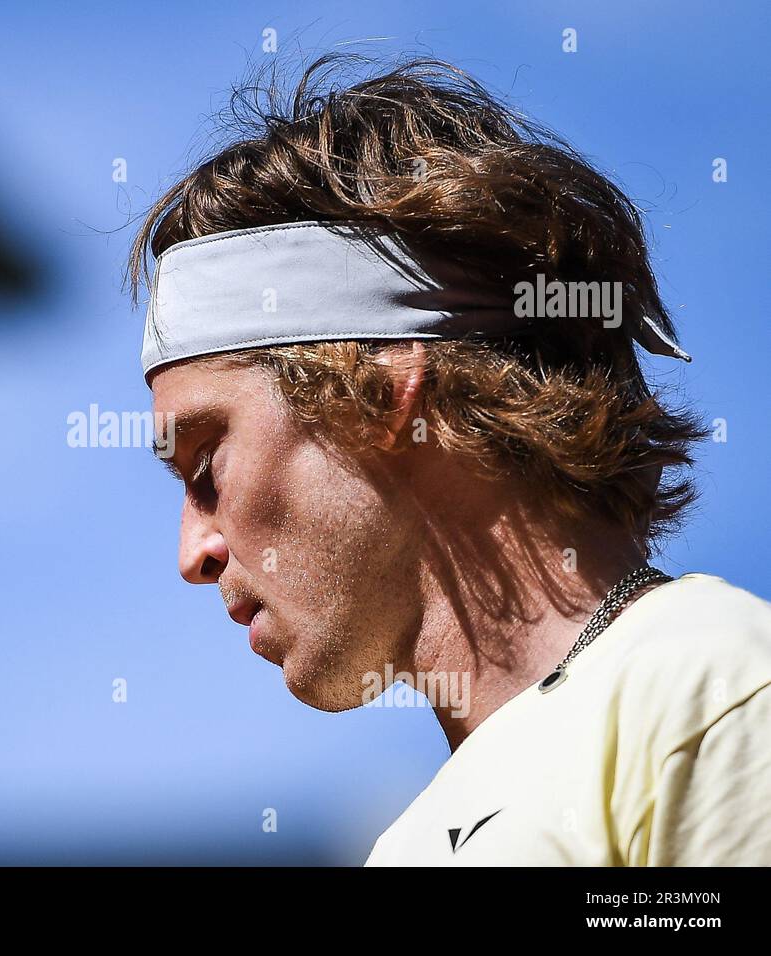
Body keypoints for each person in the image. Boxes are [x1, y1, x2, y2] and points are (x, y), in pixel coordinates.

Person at [127, 54, 771, 865]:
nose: (194, 553)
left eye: (205, 471)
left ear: (383, 395)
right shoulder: (408, 845)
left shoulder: (712, 692)